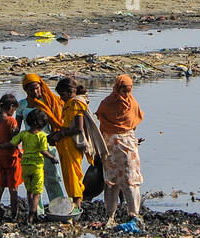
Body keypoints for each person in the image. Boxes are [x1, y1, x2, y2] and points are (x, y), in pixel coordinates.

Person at [95, 74, 144, 228]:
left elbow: (133, 126)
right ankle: (110, 215)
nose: (126, 94)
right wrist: (98, 148)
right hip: (110, 149)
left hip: (128, 149)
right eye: (123, 90)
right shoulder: (107, 104)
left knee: (130, 180)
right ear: (117, 88)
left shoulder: (132, 104)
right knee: (111, 181)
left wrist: (133, 141)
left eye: (128, 91)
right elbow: (101, 127)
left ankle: (133, 214)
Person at [19, 73, 66, 204]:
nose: (35, 91)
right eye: (31, 89)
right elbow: (16, 128)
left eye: (37, 88)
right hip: (29, 146)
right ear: (26, 90)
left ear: (41, 86)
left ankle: (58, 206)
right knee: (33, 179)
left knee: (52, 178)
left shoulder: (50, 101)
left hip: (48, 144)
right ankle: (36, 210)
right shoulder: (22, 105)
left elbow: (59, 121)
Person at [52, 75, 98, 205]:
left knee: (73, 176)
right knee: (70, 175)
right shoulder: (70, 104)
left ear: (71, 92)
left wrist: (61, 134)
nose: (61, 98)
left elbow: (78, 128)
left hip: (70, 145)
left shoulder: (74, 104)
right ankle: (75, 203)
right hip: (67, 145)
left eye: (62, 94)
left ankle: (76, 204)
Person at [9, 108, 57, 221]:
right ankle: (32, 215)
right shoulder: (41, 136)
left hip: (25, 165)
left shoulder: (24, 134)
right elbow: (43, 151)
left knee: (29, 191)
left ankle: (32, 212)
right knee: (37, 193)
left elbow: (12, 143)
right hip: (37, 166)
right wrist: (52, 158)